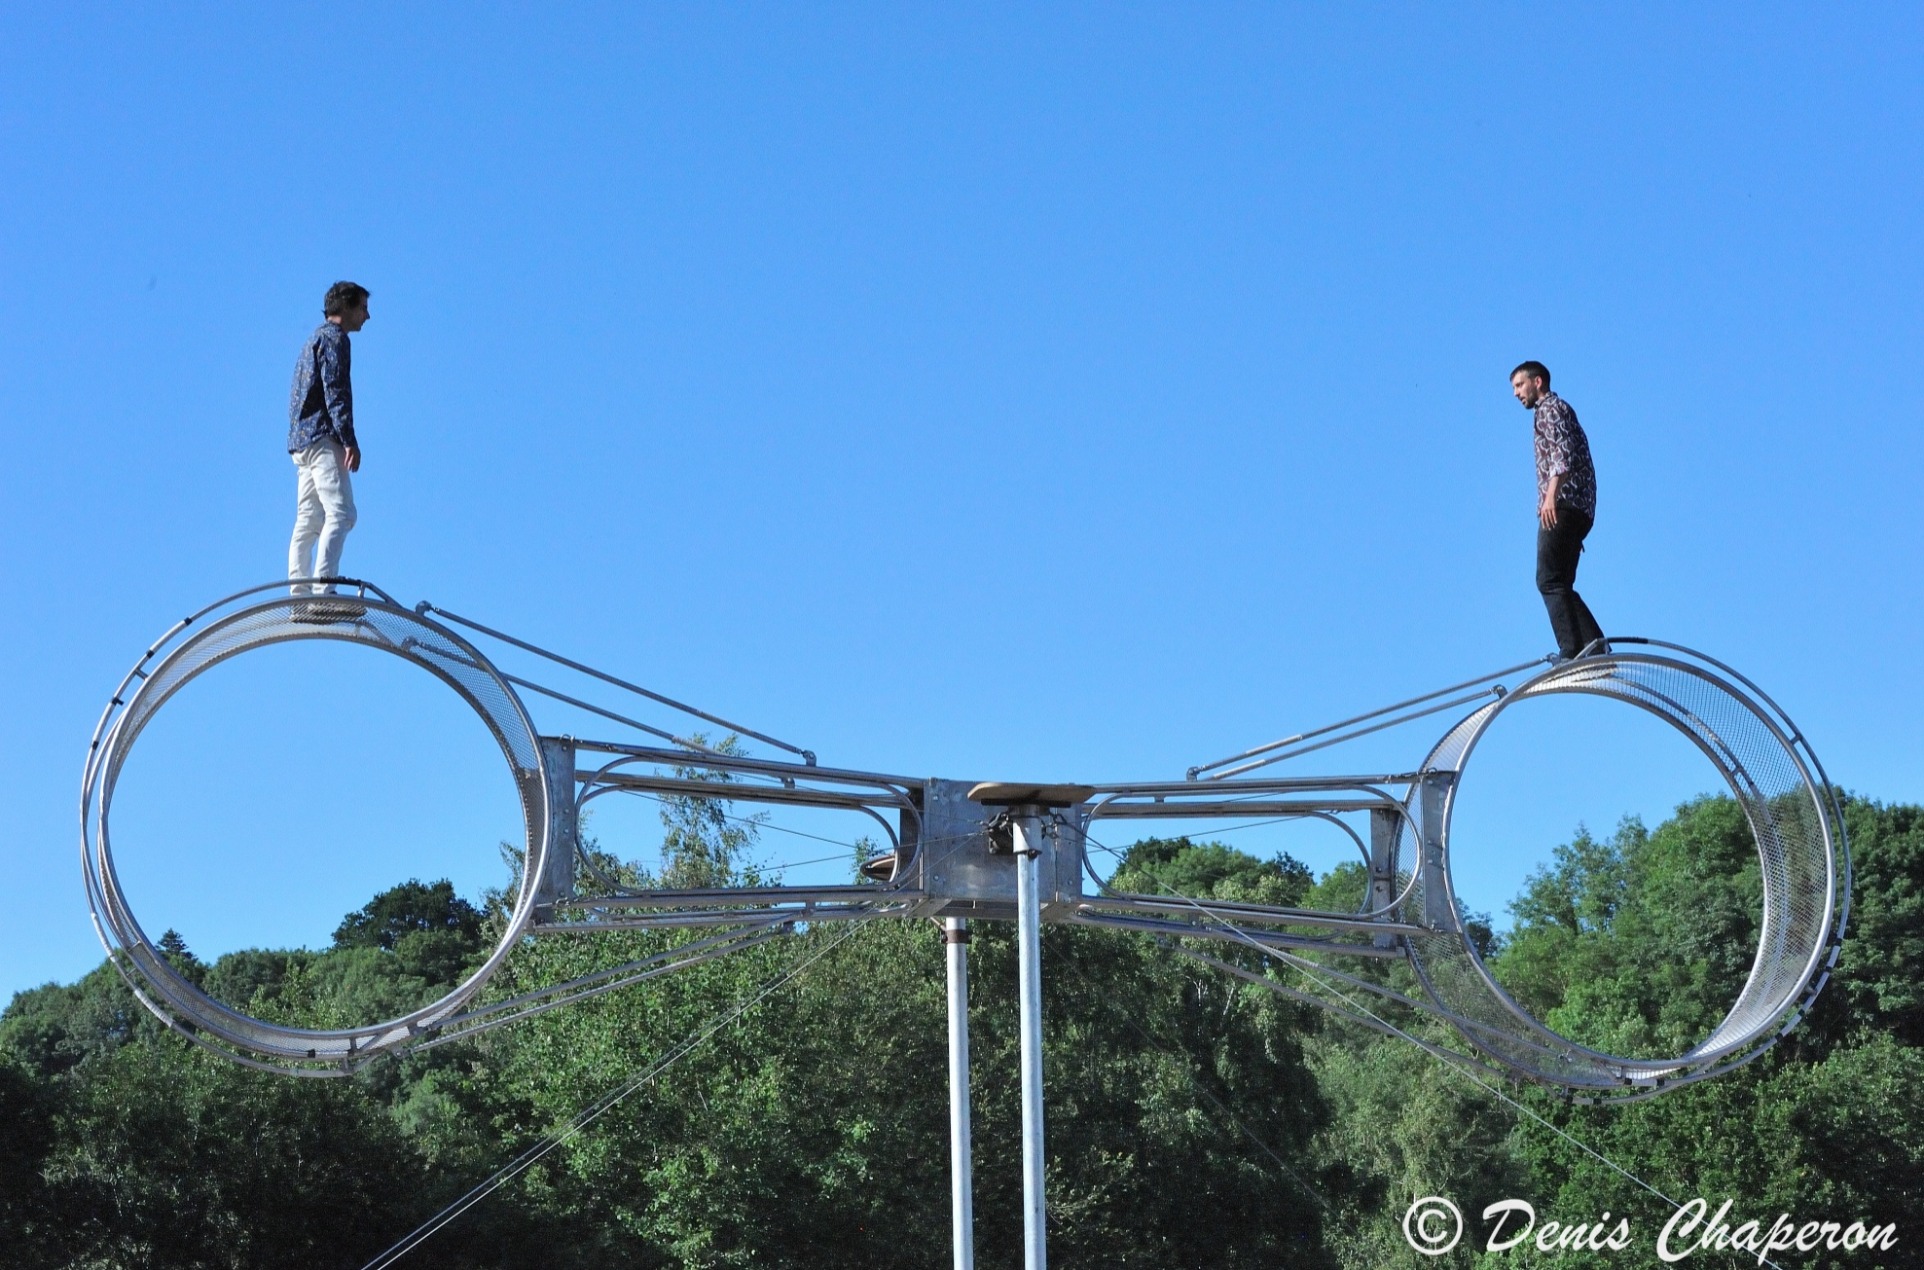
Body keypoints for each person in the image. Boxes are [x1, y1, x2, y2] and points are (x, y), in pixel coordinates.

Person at [1511, 360, 1606, 660]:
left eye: (1519, 385)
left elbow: (1562, 454)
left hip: (1564, 504)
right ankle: (1594, 647)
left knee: (1548, 579)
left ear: (1537, 382)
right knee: (1560, 583)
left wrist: (1551, 497)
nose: (1516, 393)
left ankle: (1572, 648)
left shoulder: (1551, 409)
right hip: (1576, 508)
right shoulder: (1556, 410)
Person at [287, 281, 369, 614]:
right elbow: (335, 392)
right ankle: (324, 593)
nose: (367, 316)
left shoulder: (313, 339)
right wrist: (348, 439)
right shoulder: (336, 340)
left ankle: (298, 596)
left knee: (308, 518)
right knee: (342, 513)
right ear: (346, 307)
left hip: (301, 441)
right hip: (323, 438)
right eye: (363, 307)